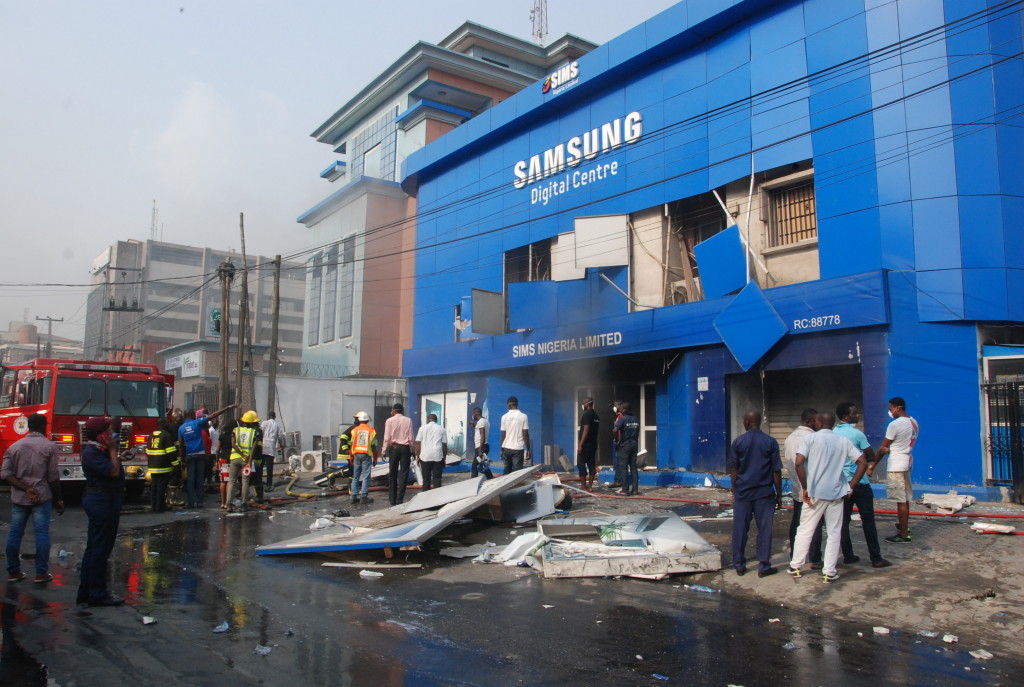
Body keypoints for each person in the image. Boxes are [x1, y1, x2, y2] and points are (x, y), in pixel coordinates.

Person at [788, 412, 868, 583]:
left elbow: (799, 462)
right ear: (832, 424)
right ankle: (829, 571)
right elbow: (863, 462)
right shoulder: (843, 441)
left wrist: (805, 487)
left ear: (818, 422)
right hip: (836, 493)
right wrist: (851, 486)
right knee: (833, 532)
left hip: (815, 493)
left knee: (805, 529)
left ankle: (795, 566)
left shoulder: (810, 439)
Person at [3, 413, 63, 584]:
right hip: (42, 497)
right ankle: (41, 573)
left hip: (19, 498)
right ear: (44, 426)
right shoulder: (49, 447)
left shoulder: (14, 447)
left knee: (15, 534)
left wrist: (25, 488)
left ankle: (14, 572)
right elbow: (53, 477)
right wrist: (59, 499)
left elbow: (6, 474)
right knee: (42, 534)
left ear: (29, 426)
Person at [834, 402, 891, 568]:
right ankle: (876, 558)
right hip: (860, 483)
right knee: (868, 521)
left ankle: (848, 555)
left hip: (842, 484)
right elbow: (871, 455)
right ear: (846, 417)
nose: (857, 415)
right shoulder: (857, 434)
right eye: (854, 413)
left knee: (842, 522)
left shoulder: (833, 433)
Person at [76, 416, 126, 606]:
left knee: (96, 547)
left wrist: (115, 453)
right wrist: (113, 449)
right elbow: (113, 472)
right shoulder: (92, 452)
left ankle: (87, 592)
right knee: (99, 549)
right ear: (100, 434)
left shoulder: (98, 450)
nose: (111, 433)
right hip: (101, 499)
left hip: (107, 499)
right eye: (107, 430)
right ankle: (97, 594)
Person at [728, 411, 783, 577]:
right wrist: (778, 494)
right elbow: (776, 471)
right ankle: (764, 566)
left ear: (747, 422)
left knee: (740, 529)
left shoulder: (738, 442)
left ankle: (739, 564)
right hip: (764, 493)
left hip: (743, 494)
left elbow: (734, 469)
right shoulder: (770, 442)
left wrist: (734, 488)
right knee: (765, 530)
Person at [782, 409, 823, 568]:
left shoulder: (789, 438)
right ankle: (815, 558)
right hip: (811, 487)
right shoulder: (812, 438)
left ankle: (795, 554)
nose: (819, 424)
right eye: (817, 421)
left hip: (796, 486)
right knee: (816, 523)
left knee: (797, 522)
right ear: (810, 421)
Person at [877, 397, 919, 544]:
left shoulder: (894, 425)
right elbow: (900, 443)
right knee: (906, 498)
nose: (890, 412)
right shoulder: (914, 422)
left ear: (898, 408)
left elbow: (883, 448)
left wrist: (872, 466)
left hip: (896, 465)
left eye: (890, 409)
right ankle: (904, 527)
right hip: (907, 462)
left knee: (900, 500)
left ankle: (903, 535)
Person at [178, 404, 236, 509]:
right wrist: (227, 408)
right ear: (192, 415)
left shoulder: (181, 428)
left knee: (191, 480)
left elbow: (181, 445)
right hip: (200, 454)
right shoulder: (197, 423)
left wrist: (182, 460)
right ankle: (200, 502)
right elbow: (213, 415)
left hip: (189, 455)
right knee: (200, 479)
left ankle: (190, 502)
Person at [227, 411, 261, 511]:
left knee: (232, 481)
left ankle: (229, 504)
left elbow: (233, 444)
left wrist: (241, 454)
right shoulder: (254, 432)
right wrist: (248, 460)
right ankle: (244, 504)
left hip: (234, 458)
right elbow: (253, 449)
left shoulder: (235, 430)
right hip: (246, 460)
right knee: (245, 482)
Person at [381, 403, 413, 505]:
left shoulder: (389, 421)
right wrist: (412, 449)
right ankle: (400, 498)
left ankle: (392, 499)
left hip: (394, 448)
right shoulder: (408, 420)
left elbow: (386, 438)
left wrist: (383, 450)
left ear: (394, 411)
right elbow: (411, 437)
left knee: (393, 473)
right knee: (404, 474)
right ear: (402, 411)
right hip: (405, 448)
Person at [146, 418, 179, 513]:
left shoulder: (151, 435)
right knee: (161, 488)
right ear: (164, 424)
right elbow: (171, 453)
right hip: (163, 467)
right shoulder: (166, 436)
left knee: (154, 487)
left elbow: (147, 451)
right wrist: (176, 465)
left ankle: (154, 506)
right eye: (167, 423)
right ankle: (160, 506)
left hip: (152, 466)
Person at [349, 410, 378, 505]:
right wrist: (375, 457)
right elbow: (373, 446)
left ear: (359, 420)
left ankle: (353, 496)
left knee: (356, 476)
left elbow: (352, 444)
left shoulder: (354, 430)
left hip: (356, 454)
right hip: (366, 455)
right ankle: (363, 496)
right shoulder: (371, 431)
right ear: (367, 420)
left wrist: (351, 456)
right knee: (365, 476)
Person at [613, 402, 641, 496]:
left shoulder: (622, 419)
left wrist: (617, 441)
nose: (620, 410)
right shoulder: (636, 420)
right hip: (634, 444)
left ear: (625, 410)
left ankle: (625, 490)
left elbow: (615, 430)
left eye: (621, 408)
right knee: (633, 467)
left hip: (625, 444)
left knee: (623, 467)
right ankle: (635, 490)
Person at [415, 413, 448, 491]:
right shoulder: (441, 429)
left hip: (425, 456)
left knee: (426, 479)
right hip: (437, 456)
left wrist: (417, 456)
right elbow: (444, 445)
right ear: (436, 420)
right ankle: (437, 499)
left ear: (427, 420)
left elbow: (417, 443)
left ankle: (426, 498)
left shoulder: (422, 428)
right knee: (437, 479)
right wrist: (444, 458)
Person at [500, 396, 531, 474]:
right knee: (517, 473)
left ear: (509, 405)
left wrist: (502, 450)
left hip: (507, 447)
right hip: (518, 448)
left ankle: (504, 486)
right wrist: (528, 449)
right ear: (516, 405)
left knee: (507, 470)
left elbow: (503, 435)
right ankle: (517, 486)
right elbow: (525, 434)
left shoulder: (504, 417)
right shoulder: (524, 416)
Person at [576, 397, 600, 492]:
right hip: (593, 444)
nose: (583, 405)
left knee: (580, 463)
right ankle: (590, 487)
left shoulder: (587, 415)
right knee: (591, 464)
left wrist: (580, 444)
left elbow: (586, 429)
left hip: (586, 444)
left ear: (588, 404)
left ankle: (583, 486)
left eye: (583, 403)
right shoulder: (596, 416)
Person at [259, 411, 285, 491]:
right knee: (270, 466)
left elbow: (260, 433)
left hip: (263, 445)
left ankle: (259, 481)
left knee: (261, 464)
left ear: (268, 416)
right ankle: (269, 483)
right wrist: (281, 445)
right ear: (275, 416)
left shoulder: (264, 423)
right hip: (271, 446)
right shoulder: (277, 425)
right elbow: (280, 436)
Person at [216, 418, 238, 509]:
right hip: (231, 458)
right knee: (230, 480)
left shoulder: (222, 435)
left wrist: (217, 460)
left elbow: (217, 449)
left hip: (223, 459)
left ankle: (223, 502)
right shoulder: (234, 435)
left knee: (223, 481)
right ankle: (228, 502)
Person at [469, 407, 493, 479]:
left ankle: (473, 483)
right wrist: (474, 425)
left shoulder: (481, 422)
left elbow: (482, 436)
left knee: (474, 466)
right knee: (482, 465)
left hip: (481, 447)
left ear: (476, 414)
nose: (472, 416)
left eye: (473, 414)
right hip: (483, 446)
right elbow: (480, 430)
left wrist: (480, 450)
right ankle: (490, 478)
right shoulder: (485, 421)